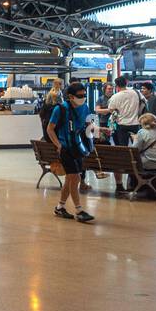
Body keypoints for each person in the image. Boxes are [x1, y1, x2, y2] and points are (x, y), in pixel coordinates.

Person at [47, 82, 95, 222]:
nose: (83, 98)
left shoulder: (85, 107)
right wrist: (58, 144)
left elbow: (89, 125)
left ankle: (60, 207)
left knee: (71, 178)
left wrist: (96, 132)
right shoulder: (61, 109)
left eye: (84, 95)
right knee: (75, 178)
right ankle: (79, 210)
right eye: (80, 96)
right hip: (66, 148)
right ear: (70, 96)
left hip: (78, 146)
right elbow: (50, 129)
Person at [96, 76, 142, 192]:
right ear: (127, 82)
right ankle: (136, 181)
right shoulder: (136, 93)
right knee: (138, 152)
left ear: (116, 86)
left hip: (121, 126)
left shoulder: (115, 97)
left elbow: (111, 110)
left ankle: (120, 184)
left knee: (121, 154)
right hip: (135, 125)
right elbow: (143, 104)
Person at [131, 112, 156, 199]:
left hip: (146, 162)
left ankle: (135, 189)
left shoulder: (142, 132)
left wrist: (134, 139)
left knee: (132, 163)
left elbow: (135, 149)